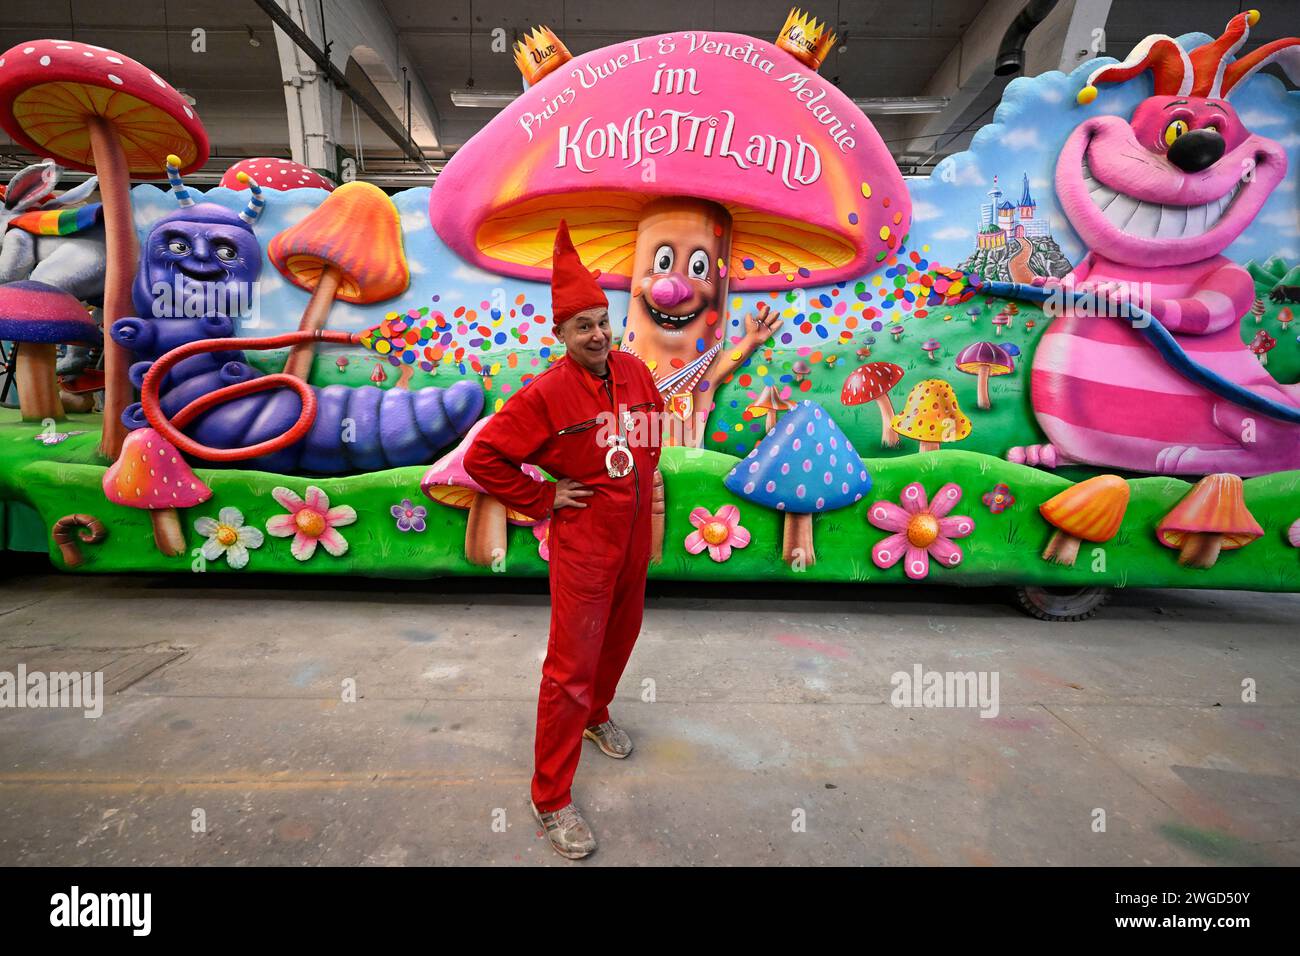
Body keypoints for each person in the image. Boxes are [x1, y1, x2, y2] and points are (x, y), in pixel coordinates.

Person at [464, 220, 665, 859]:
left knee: (621, 638)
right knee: (569, 669)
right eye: (584, 326)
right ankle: (550, 797)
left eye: (603, 321)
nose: (598, 334)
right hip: (585, 546)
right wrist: (543, 497)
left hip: (633, 538)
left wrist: (640, 488)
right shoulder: (545, 395)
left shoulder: (634, 371)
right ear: (561, 334)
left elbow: (652, 433)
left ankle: (597, 716)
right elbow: (485, 458)